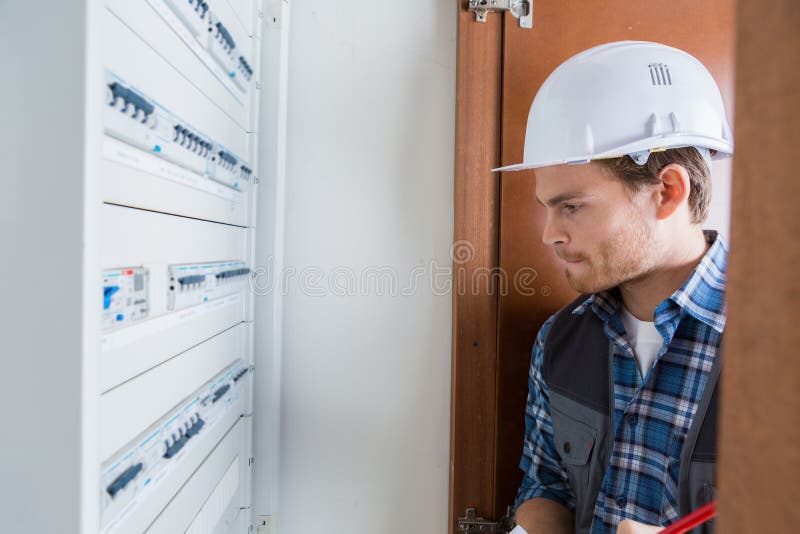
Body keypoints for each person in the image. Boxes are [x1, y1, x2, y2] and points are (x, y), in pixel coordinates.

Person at [494, 41, 733, 533]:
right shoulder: (561, 341)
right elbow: (548, 485)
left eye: (573, 206)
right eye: (547, 207)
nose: (550, 234)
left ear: (667, 192)